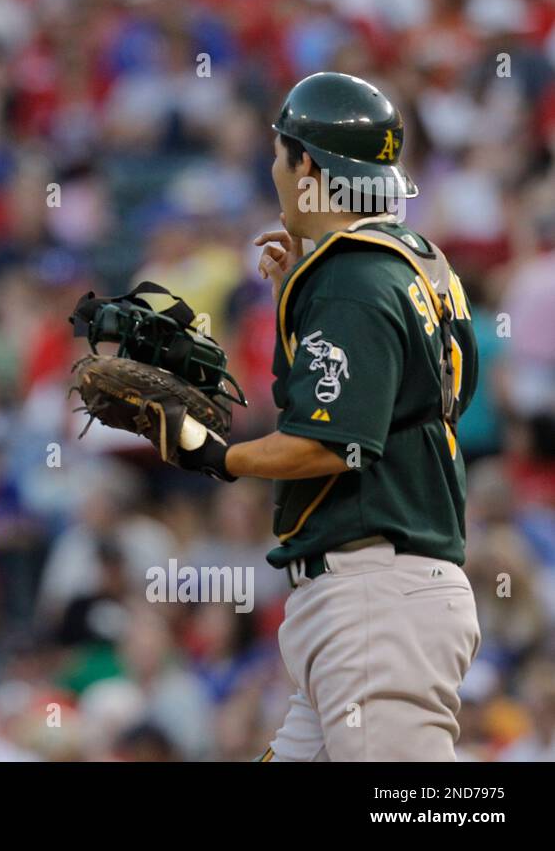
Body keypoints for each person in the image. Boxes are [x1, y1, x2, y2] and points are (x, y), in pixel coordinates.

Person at [174, 71, 481, 760]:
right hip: (377, 593)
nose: (276, 169)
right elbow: (407, 395)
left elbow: (333, 442)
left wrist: (216, 454)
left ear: (308, 164)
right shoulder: (417, 261)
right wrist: (301, 291)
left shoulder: (350, 280)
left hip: (377, 598)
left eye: (282, 154)